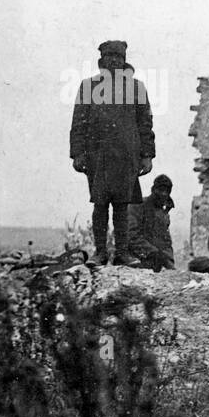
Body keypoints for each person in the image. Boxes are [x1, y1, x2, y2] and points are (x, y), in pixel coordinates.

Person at [70, 40, 155, 266]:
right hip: (98, 156)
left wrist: (147, 155)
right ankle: (100, 252)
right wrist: (77, 153)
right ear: (101, 61)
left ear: (124, 61)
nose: (114, 60)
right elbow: (79, 121)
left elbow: (145, 123)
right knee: (99, 204)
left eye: (118, 57)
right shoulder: (88, 87)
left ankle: (122, 253)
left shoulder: (136, 88)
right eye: (109, 56)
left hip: (127, 156)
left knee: (122, 205)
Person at [127, 174, 176, 271]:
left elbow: (166, 241)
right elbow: (131, 235)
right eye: (160, 190)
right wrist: (153, 252)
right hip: (138, 260)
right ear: (153, 189)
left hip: (157, 263)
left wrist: (169, 262)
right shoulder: (137, 206)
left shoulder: (163, 213)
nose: (163, 194)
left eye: (166, 191)